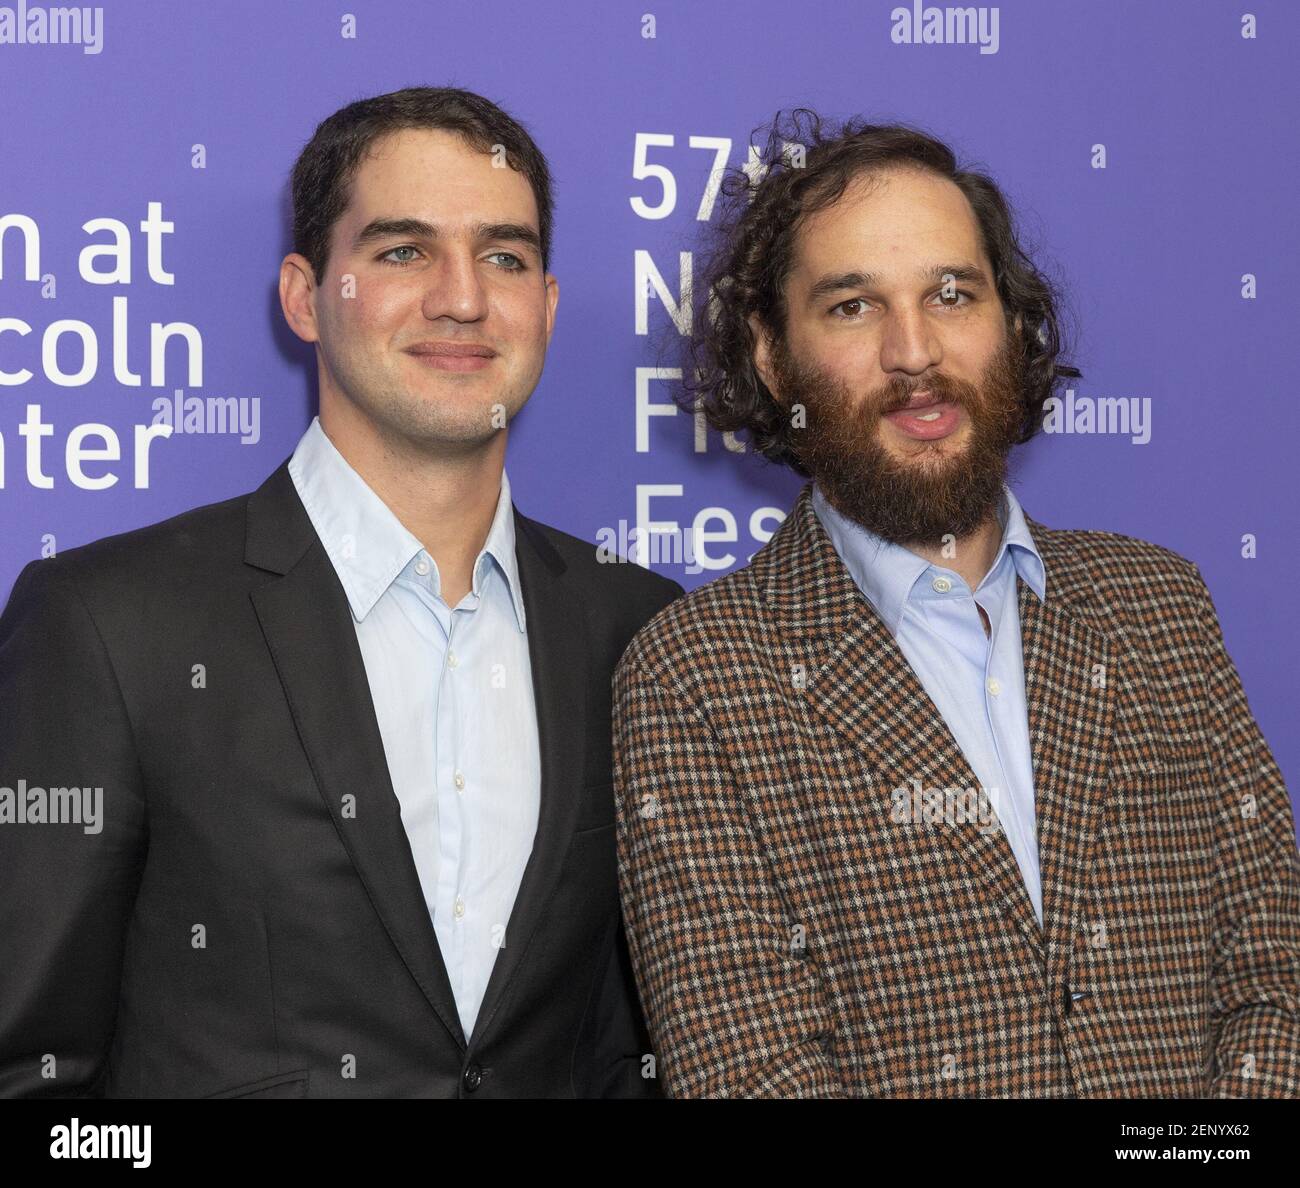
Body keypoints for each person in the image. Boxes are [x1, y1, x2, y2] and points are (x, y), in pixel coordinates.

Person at [0, 86, 679, 1098]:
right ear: (304, 295)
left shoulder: (639, 627)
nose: (462, 297)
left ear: (546, 303)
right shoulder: (108, 624)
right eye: (402, 251)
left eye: (505, 255)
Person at [612, 109, 1300, 1097]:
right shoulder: (698, 676)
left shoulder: (1160, 606)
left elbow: (1275, 976)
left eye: (950, 294)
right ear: (770, 356)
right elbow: (748, 1070)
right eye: (852, 306)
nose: (915, 352)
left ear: (1010, 327)